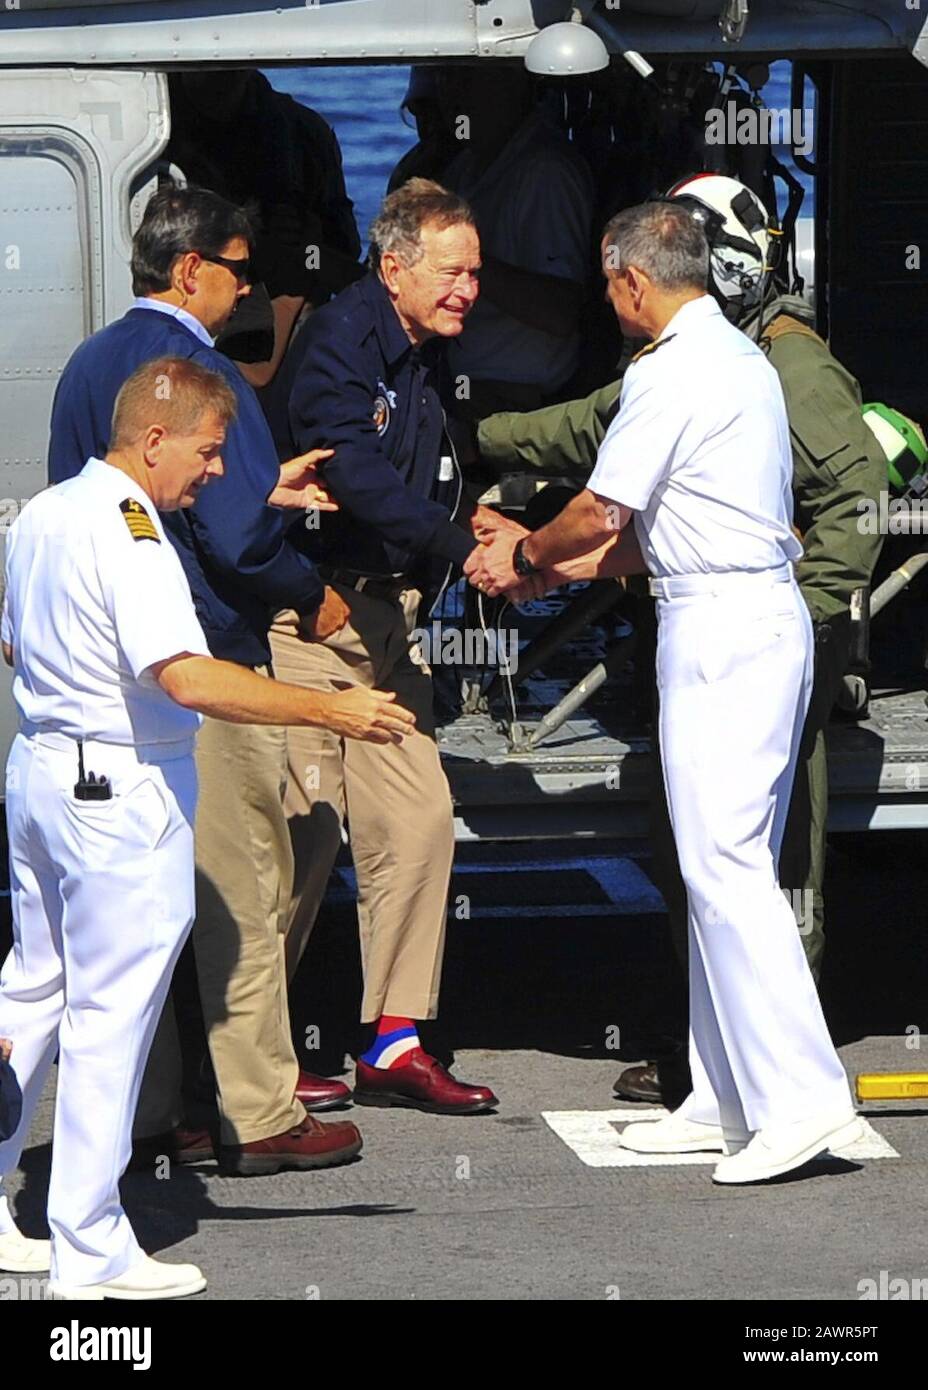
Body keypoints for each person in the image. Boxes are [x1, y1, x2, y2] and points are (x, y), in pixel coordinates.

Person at [466, 201, 864, 1184]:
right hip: (747, 612)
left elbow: (601, 507)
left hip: (720, 631)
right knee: (719, 871)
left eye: (608, 285)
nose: (608, 302)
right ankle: (722, 1095)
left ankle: (801, 1101)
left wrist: (522, 549)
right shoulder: (740, 359)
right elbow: (660, 530)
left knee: (724, 872)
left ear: (635, 281)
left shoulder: (670, 373)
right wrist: (546, 574)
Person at [0, 357, 413, 1299]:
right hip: (119, 788)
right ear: (154, 440)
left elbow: (16, 639)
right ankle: (89, 1241)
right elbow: (184, 676)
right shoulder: (134, 532)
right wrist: (330, 713)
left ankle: (7, 1200)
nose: (218, 470)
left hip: (42, 771)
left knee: (29, 992)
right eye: (209, 449)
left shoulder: (46, 512)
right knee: (110, 1019)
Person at [47, 184, 360, 1172]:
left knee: (140, 908)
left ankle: (157, 1110)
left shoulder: (87, 366)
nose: (248, 291)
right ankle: (261, 1111)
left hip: (110, 682)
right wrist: (309, 590)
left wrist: (260, 485)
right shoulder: (201, 368)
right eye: (237, 269)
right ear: (192, 271)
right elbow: (230, 536)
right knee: (245, 885)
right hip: (208, 659)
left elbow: (98, 500)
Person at [270, 179, 522, 1114]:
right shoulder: (339, 343)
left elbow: (431, 478)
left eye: (476, 272)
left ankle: (396, 1040)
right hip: (310, 623)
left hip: (388, 623)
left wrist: (481, 520)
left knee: (416, 824)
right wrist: (467, 549)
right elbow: (361, 480)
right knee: (303, 835)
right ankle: (253, 1051)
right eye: (454, 272)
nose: (470, 289)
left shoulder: (428, 356)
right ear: (395, 268)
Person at [434, 65, 595, 418]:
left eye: (466, 79)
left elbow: (560, 311)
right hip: (462, 384)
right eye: (445, 80)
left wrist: (463, 266)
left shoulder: (545, 173)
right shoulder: (465, 167)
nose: (451, 95)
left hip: (519, 402)